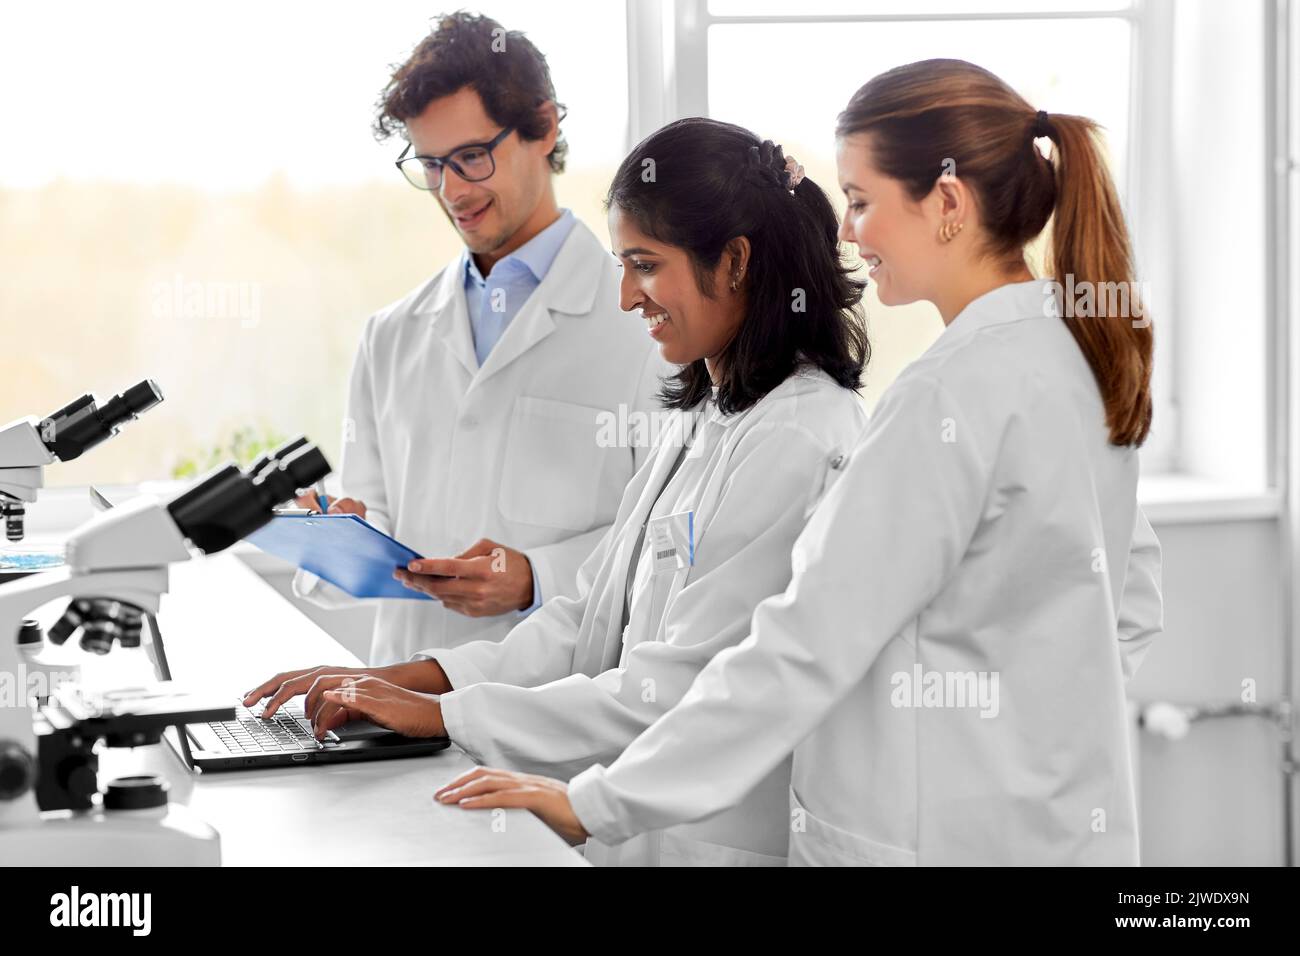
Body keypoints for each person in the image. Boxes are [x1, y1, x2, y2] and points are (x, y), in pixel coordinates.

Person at [434, 59, 1165, 867]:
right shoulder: (1082, 360)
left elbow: (803, 646)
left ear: (948, 203)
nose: (847, 232)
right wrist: (1011, 747)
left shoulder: (946, 395)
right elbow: (1127, 608)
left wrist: (594, 805)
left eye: (860, 201)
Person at [245, 117, 871, 866]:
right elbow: (586, 623)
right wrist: (395, 683)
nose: (626, 297)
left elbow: (672, 687)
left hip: (715, 839)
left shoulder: (797, 436)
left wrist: (447, 715)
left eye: (645, 265)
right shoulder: (706, 412)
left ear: (734, 261)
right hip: (639, 831)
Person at [294, 12, 666, 663]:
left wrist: (536, 576)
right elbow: (376, 516)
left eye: (471, 157)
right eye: (431, 164)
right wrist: (344, 535)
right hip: (401, 704)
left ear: (544, 128)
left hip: (554, 721)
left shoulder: (647, 327)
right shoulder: (390, 336)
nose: (452, 191)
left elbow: (671, 538)